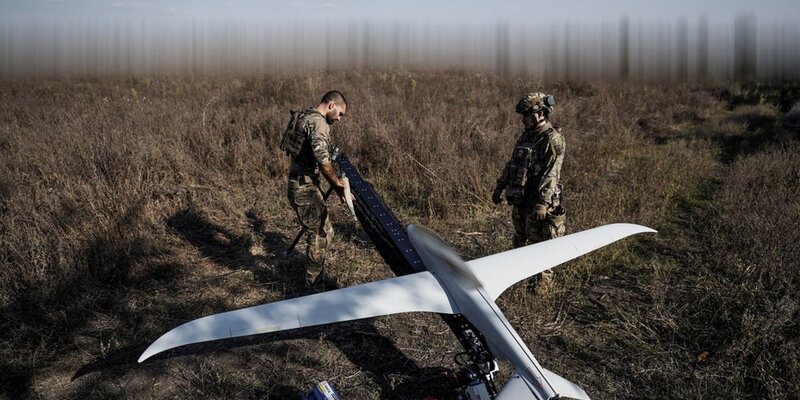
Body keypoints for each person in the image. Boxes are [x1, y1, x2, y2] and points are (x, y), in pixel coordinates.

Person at [492, 92, 566, 287]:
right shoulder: (527, 135)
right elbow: (512, 164)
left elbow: (552, 173)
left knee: (539, 248)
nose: (522, 120)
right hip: (521, 200)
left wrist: (542, 204)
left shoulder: (552, 139)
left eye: (526, 115)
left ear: (540, 114)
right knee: (519, 242)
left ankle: (540, 290)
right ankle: (518, 280)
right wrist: (500, 186)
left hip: (538, 204)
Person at [283, 91, 348, 289]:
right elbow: (323, 162)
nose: (339, 118)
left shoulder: (304, 116)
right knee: (320, 234)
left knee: (322, 231)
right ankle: (313, 286)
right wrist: (337, 183)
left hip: (301, 183)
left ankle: (314, 279)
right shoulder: (318, 123)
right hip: (304, 187)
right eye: (340, 113)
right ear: (331, 105)